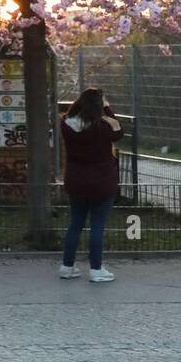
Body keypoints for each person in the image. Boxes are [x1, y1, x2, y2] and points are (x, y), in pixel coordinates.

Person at [59, 87, 123, 283]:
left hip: (76, 181)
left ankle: (67, 266)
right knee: (97, 226)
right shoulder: (103, 126)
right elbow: (119, 131)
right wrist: (108, 108)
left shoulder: (66, 124)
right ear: (99, 106)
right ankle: (96, 269)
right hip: (102, 182)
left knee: (75, 224)